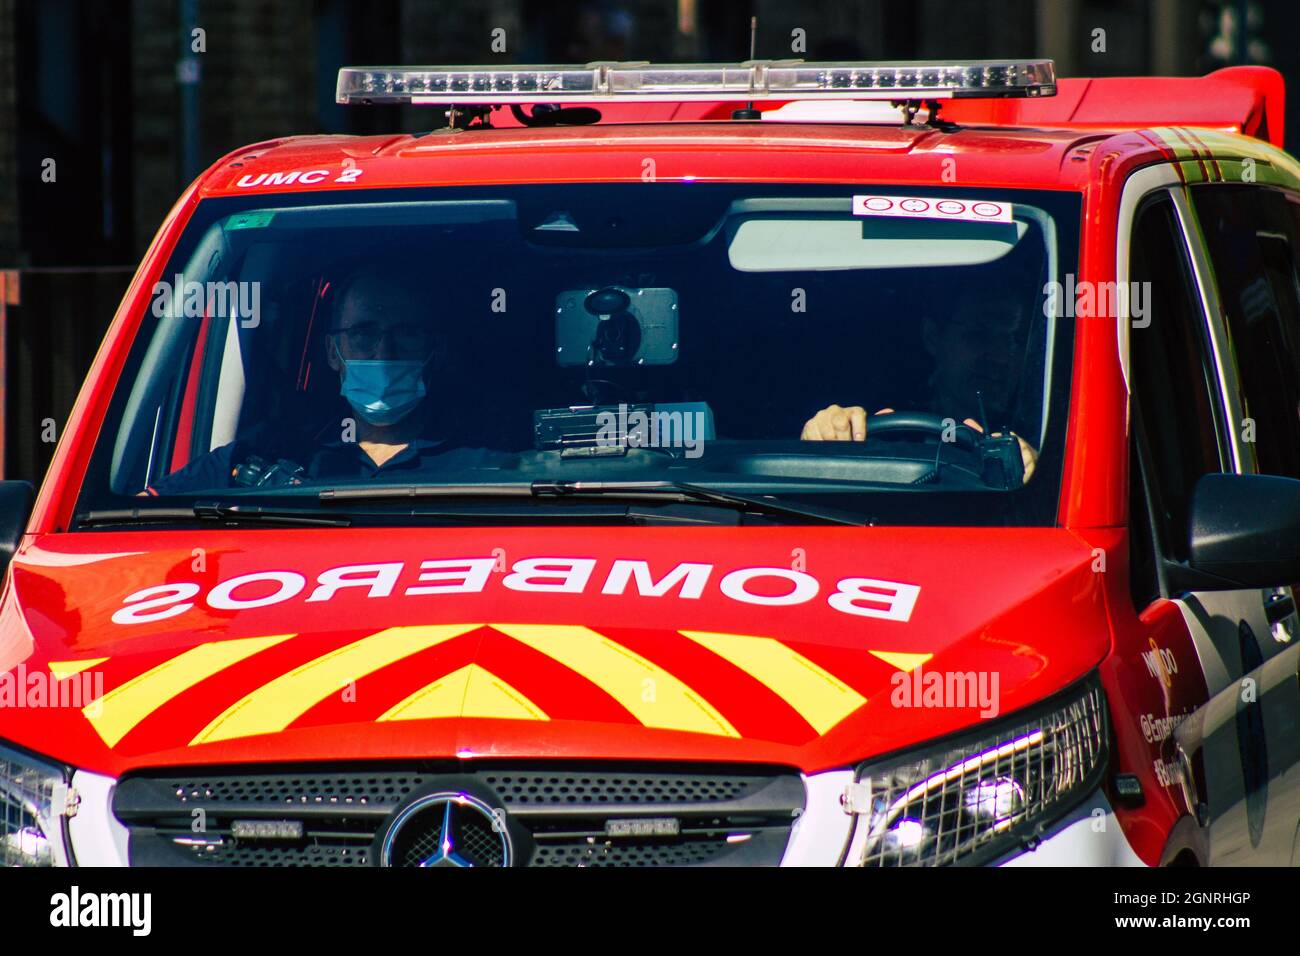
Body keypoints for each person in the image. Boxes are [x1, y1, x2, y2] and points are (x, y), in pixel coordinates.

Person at [145, 264, 502, 495]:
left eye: (406, 333)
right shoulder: (272, 453)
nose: (383, 352)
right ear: (333, 352)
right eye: (364, 333)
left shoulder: (487, 460)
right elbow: (137, 518)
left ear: (434, 350)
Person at [799, 295, 1039, 480]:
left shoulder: (1050, 428)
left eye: (1014, 340)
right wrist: (827, 433)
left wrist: (1036, 469)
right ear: (933, 337)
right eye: (978, 334)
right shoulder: (888, 425)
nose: (999, 356)